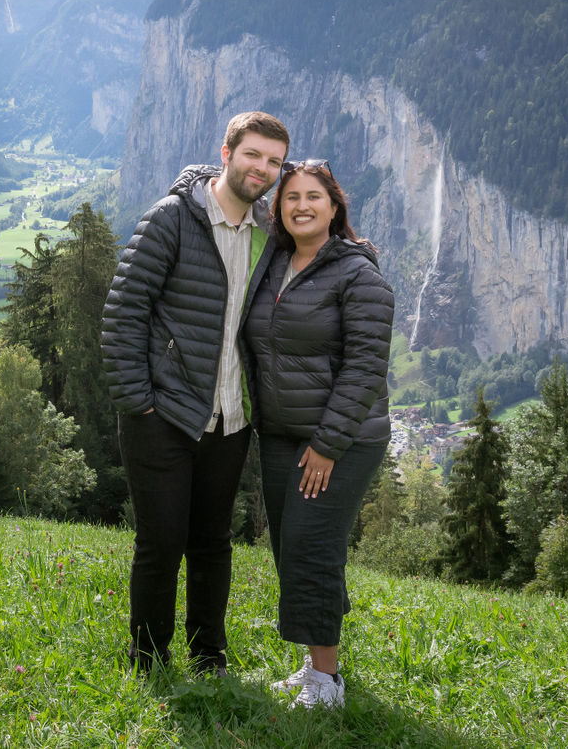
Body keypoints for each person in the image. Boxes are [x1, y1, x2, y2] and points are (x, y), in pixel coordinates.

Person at [101, 111, 291, 675]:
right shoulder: (172, 220)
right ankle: (150, 663)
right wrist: (140, 401)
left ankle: (209, 658)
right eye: (253, 154)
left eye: (274, 161)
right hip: (163, 414)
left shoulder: (267, 235)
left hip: (230, 421)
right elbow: (123, 315)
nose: (262, 169)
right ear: (227, 151)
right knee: (161, 545)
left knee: (213, 543)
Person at [241, 158, 394, 709]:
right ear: (279, 209)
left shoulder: (358, 274)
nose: (302, 205)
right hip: (282, 434)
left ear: (335, 207)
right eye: (291, 197)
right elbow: (234, 186)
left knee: (312, 547)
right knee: (291, 549)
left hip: (341, 441)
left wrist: (327, 446)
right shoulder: (277, 260)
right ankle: (315, 669)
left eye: (314, 197)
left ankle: (327, 682)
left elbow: (364, 368)